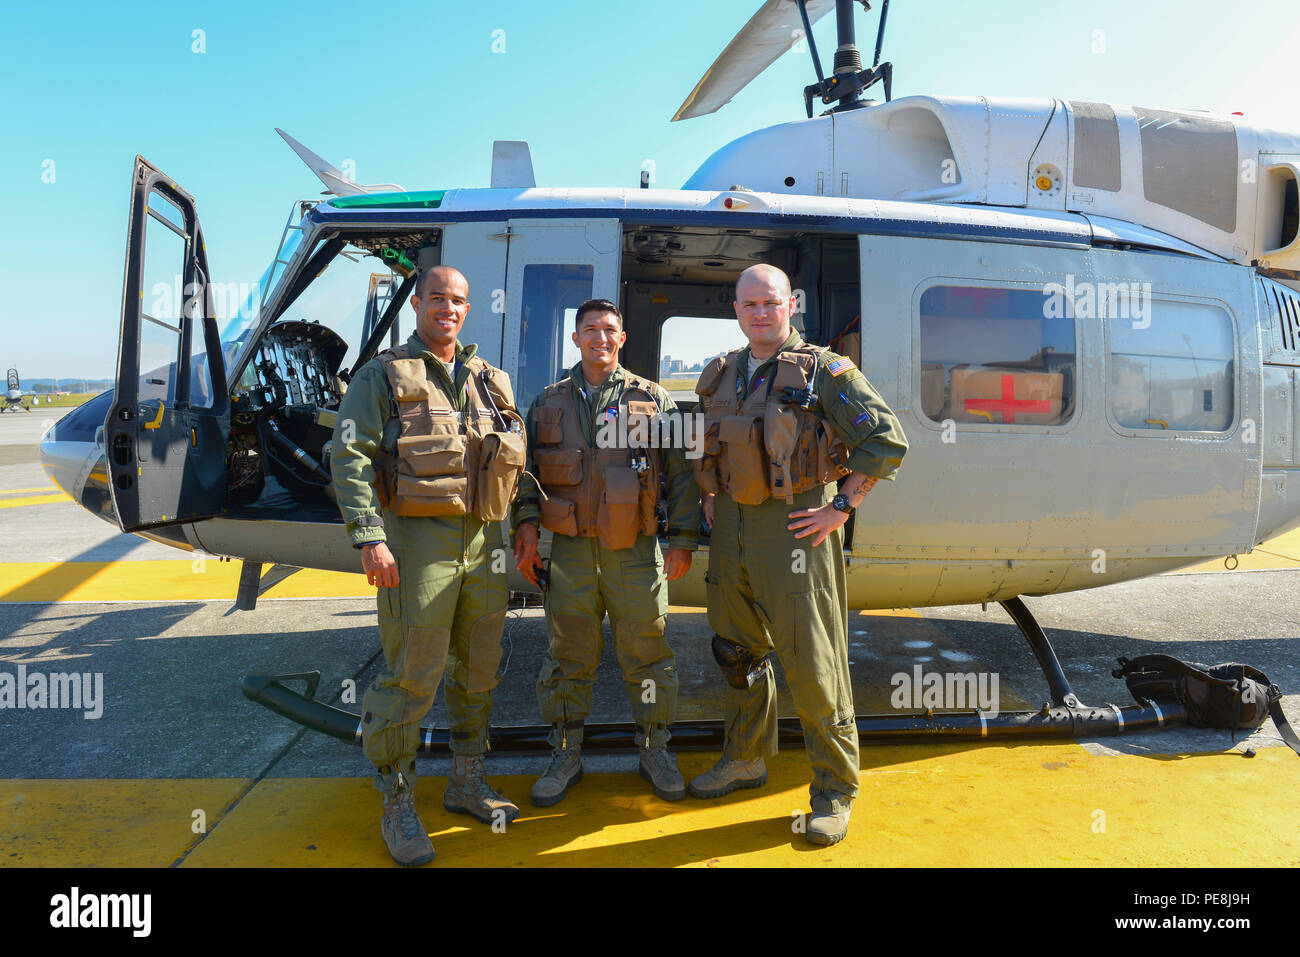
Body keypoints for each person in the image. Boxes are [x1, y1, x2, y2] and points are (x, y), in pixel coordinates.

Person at [688, 263, 907, 846]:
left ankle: (835, 789)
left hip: (795, 528)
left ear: (791, 306)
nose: (760, 313)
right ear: (736, 309)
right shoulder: (725, 371)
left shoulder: (825, 370)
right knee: (736, 652)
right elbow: (709, 443)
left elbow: (885, 440)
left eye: (770, 303)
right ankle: (745, 759)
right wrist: (712, 497)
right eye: (749, 304)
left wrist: (842, 506)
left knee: (813, 662)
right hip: (731, 527)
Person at [331, 265, 527, 866]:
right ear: (416, 303)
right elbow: (349, 452)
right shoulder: (384, 375)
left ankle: (466, 782)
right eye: (437, 297)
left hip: (484, 543)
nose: (448, 307)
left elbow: (512, 468)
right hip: (417, 543)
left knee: (480, 666)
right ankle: (396, 797)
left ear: (469, 309)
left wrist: (519, 535)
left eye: (459, 300)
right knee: (414, 670)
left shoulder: (492, 381)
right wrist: (369, 537)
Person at [513, 299, 701, 806]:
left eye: (610, 330)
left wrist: (681, 540)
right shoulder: (547, 401)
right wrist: (526, 531)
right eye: (590, 329)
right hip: (571, 553)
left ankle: (654, 748)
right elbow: (525, 475)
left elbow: (681, 475)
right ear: (575, 338)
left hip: (635, 552)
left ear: (623, 339)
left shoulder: (654, 400)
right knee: (568, 657)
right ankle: (565, 753)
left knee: (648, 656)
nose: (600, 337)